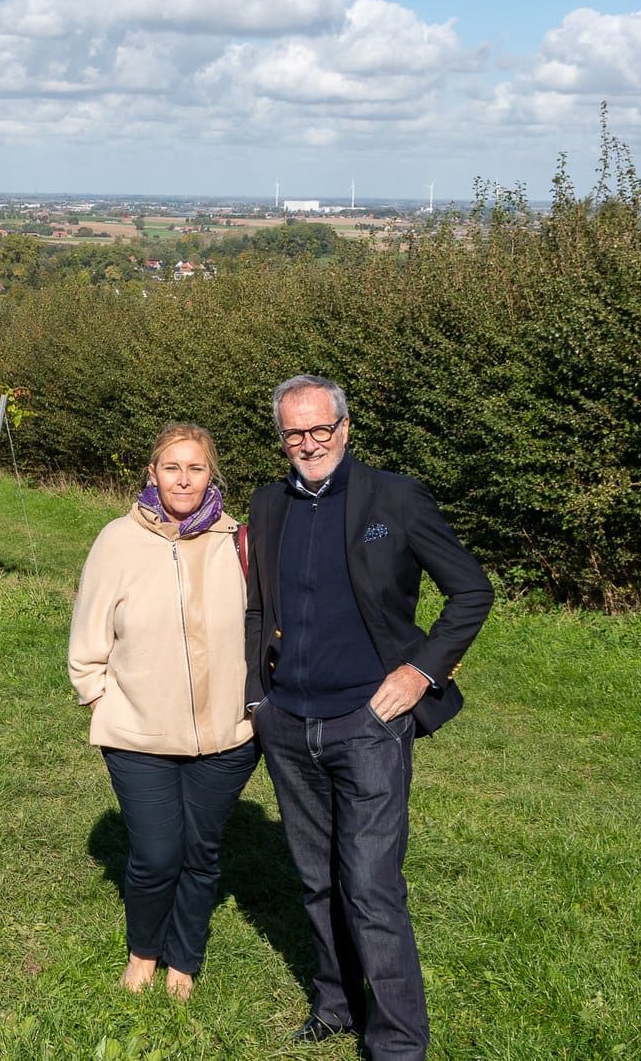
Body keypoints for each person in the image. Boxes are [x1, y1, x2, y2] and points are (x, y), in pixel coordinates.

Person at [245, 375, 492, 1060]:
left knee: (372, 883)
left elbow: (471, 590)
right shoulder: (268, 506)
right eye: (294, 432)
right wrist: (256, 702)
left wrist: (421, 670)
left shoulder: (396, 497)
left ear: (346, 428)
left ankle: (398, 1043)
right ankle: (335, 1002)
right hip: (289, 722)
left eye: (321, 428)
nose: (309, 443)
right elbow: (257, 610)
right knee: (316, 874)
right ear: (282, 437)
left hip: (369, 723)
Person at [69, 422, 257, 1002]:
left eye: (195, 467)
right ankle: (143, 953)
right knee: (156, 855)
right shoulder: (117, 540)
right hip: (137, 734)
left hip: (226, 737)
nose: (183, 478)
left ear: (211, 474)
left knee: (201, 854)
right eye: (171, 467)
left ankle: (184, 959)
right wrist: (103, 699)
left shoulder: (238, 542)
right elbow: (87, 637)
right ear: (152, 473)